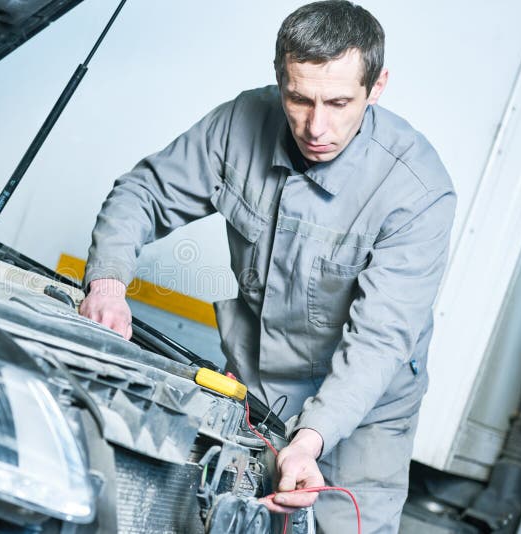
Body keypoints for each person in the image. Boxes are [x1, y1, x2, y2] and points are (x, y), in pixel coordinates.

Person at [79, 1, 456, 532]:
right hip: (253, 387)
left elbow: (380, 341)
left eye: (339, 102)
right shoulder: (239, 124)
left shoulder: (417, 191)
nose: (315, 125)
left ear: (378, 87)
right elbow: (144, 191)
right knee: (212, 516)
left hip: (363, 412)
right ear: (280, 78)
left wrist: (310, 439)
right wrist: (108, 282)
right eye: (299, 98)